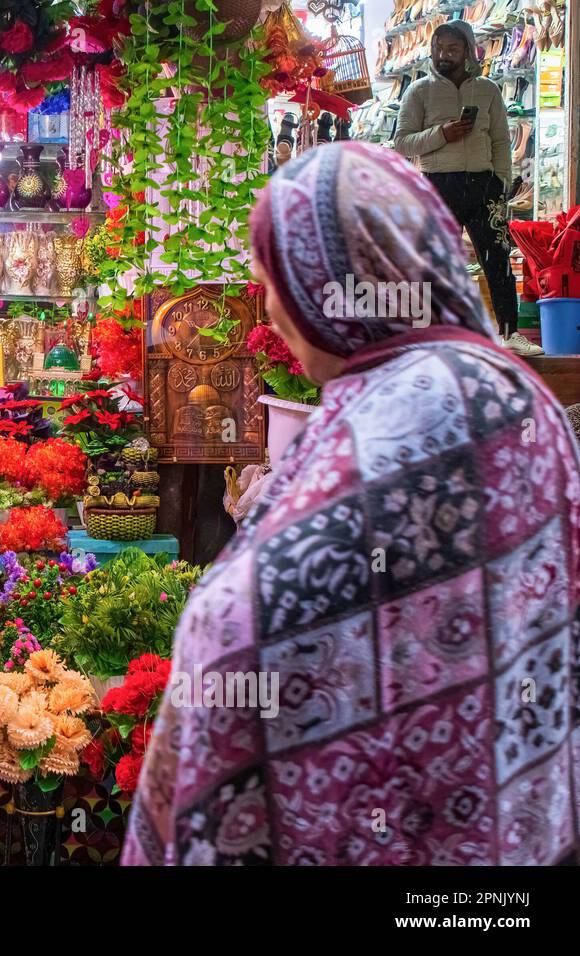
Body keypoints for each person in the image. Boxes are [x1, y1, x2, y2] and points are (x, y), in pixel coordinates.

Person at [124, 142, 580, 866]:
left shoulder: (420, 410)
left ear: (324, 284)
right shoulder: (504, 388)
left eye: (274, 280)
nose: (268, 311)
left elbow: (239, 631)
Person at [393, 20, 536, 356]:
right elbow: (400, 143)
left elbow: (501, 140)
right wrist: (442, 134)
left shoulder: (487, 90)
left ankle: (510, 333)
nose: (444, 55)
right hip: (437, 184)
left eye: (452, 49)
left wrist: (500, 182)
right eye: (439, 48)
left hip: (483, 184)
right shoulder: (419, 91)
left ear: (468, 51)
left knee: (497, 259)